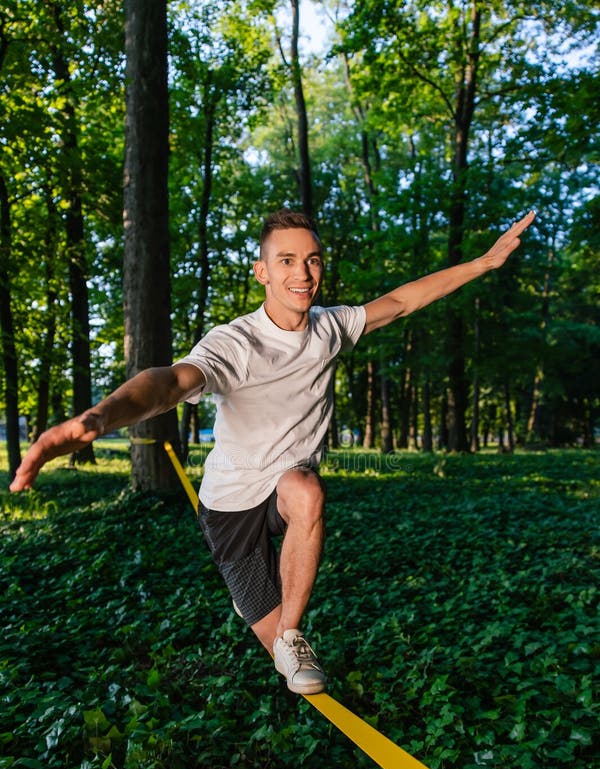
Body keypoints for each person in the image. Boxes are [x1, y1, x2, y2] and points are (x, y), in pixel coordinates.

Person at [10, 207, 536, 695]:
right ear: (261, 271)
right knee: (276, 657)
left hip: (285, 489)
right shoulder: (236, 343)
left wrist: (484, 263)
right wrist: (101, 416)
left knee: (305, 493)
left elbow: (402, 301)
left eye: (312, 260)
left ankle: (291, 635)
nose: (303, 274)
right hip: (231, 508)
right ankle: (273, 633)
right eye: (286, 260)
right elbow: (169, 382)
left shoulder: (330, 327)